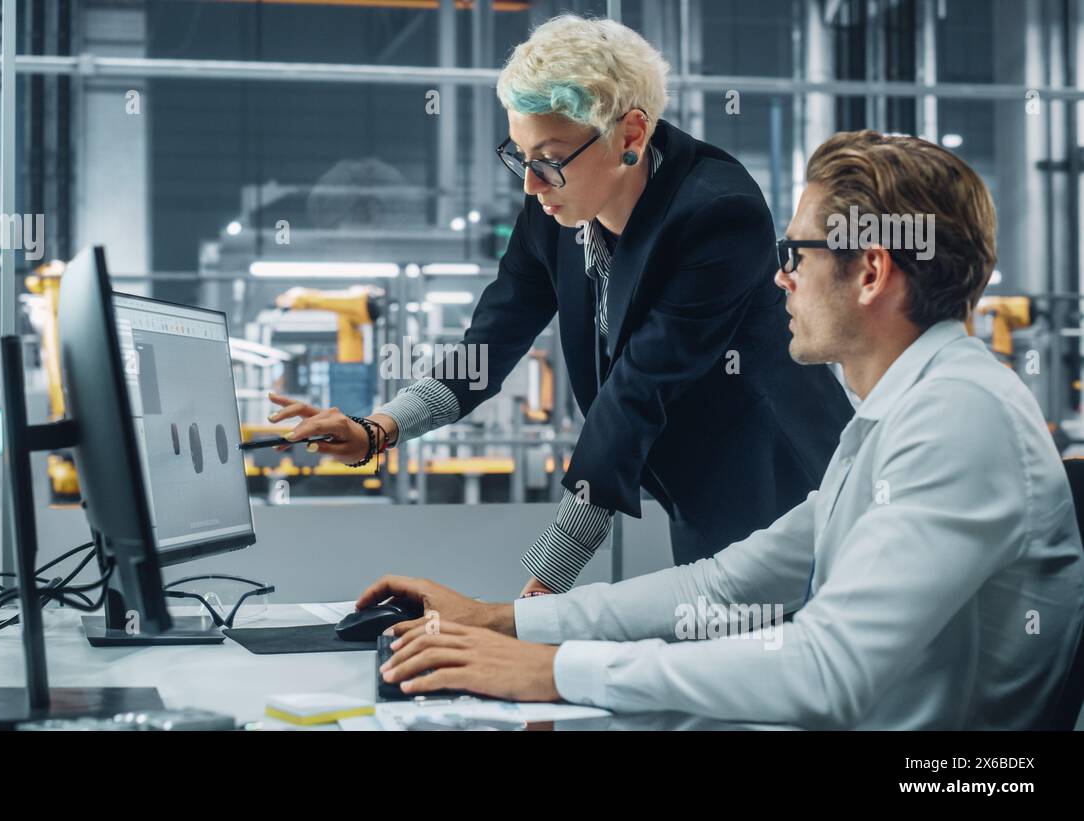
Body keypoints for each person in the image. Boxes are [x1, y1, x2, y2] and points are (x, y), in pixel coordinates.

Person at [357, 130, 1084, 730]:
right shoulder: (899, 414)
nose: (779, 279)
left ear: (869, 273)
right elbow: (729, 585)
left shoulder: (959, 418)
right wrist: (506, 623)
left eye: (795, 255)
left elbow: (827, 669)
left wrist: (554, 670)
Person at [267, 15, 852, 593]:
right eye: (520, 156)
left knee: (764, 642)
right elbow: (489, 343)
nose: (531, 184)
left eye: (548, 159)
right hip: (693, 482)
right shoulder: (554, 212)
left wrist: (546, 586)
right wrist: (379, 429)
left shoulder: (716, 213)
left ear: (631, 135)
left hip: (781, 482)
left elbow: (637, 390)